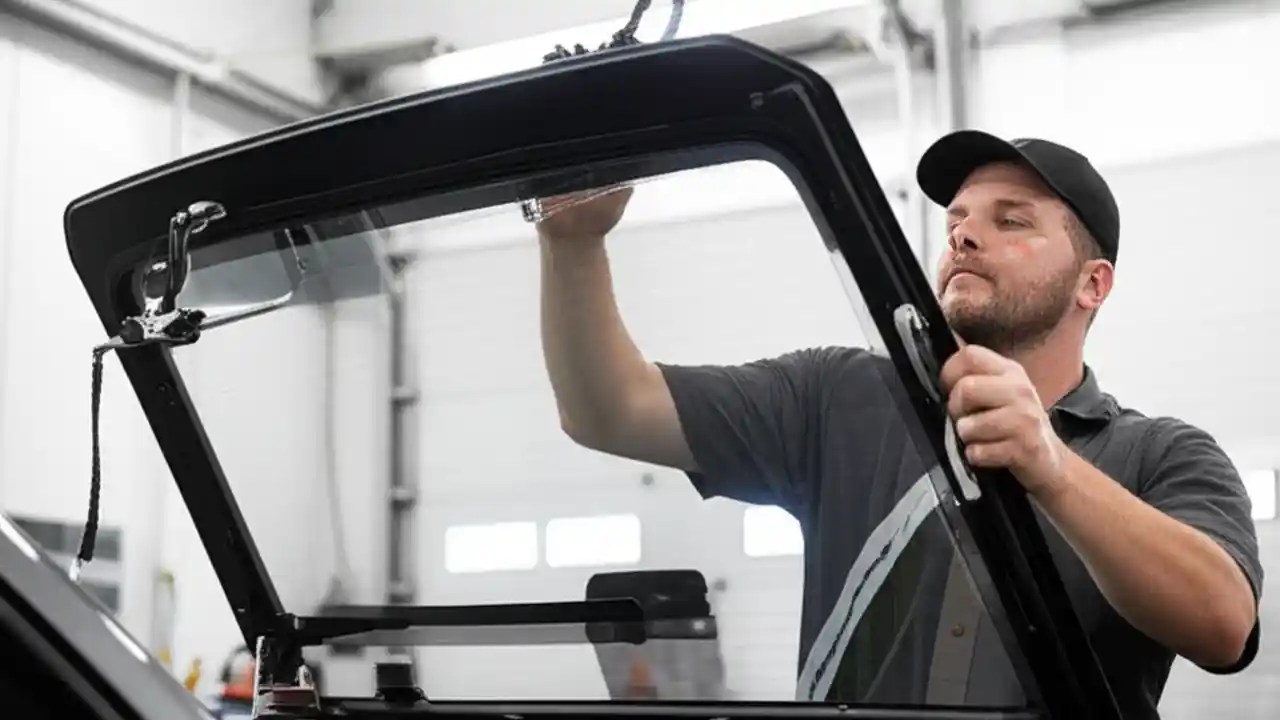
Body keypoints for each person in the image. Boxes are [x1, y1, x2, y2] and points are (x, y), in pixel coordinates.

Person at [535, 129, 1262, 717]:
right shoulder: (838, 396)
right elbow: (608, 410)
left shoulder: (1162, 455)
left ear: (1092, 283)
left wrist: (1054, 471)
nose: (965, 238)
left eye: (1011, 221)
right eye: (957, 222)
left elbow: (1224, 625)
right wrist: (572, 243)